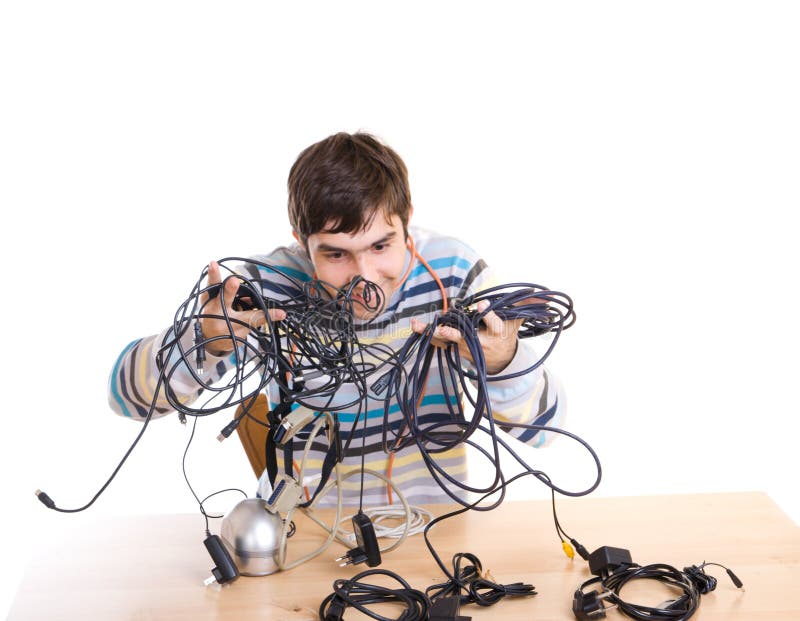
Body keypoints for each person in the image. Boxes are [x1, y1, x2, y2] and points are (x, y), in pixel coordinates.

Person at [108, 131, 564, 506]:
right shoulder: (267, 289)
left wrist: (502, 358)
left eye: (381, 246)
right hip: (304, 536)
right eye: (336, 254)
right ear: (300, 242)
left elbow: (547, 430)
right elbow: (124, 398)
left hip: (433, 533)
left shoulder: (454, 273)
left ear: (407, 221)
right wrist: (209, 339)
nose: (365, 278)